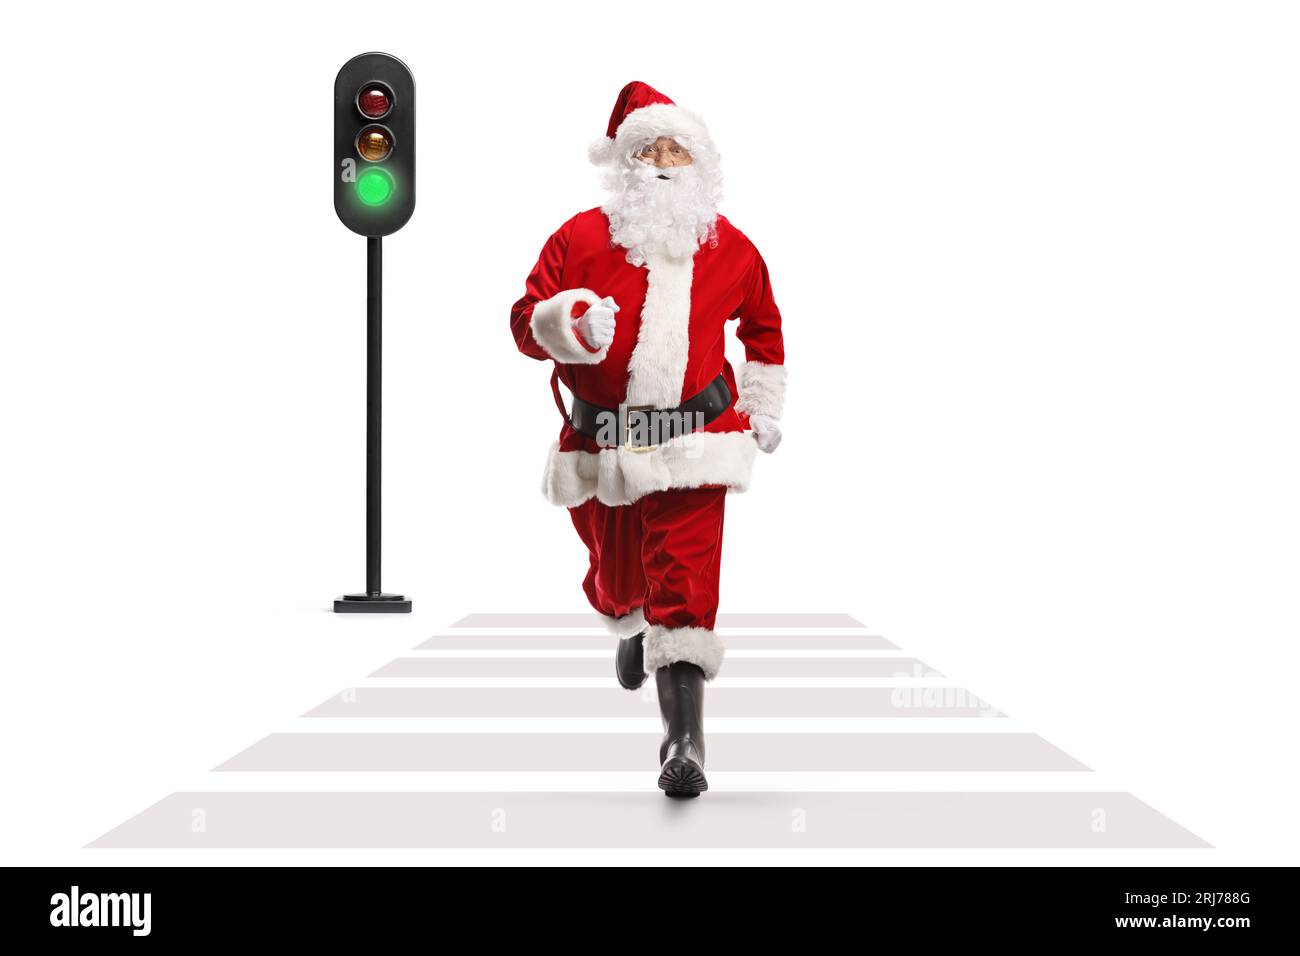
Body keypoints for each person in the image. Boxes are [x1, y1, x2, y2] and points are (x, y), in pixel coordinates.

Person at [509, 81, 787, 796]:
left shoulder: (733, 249)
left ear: (700, 165)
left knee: (686, 592)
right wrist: (567, 323)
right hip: (602, 448)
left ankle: (682, 740)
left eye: (677, 149)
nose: (663, 162)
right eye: (648, 149)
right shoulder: (577, 237)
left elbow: (763, 328)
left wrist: (762, 405)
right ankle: (628, 621)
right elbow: (524, 320)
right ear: (624, 164)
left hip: (696, 443)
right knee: (619, 577)